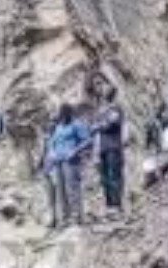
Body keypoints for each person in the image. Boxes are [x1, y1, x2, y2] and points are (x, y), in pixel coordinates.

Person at [46, 104, 92, 227]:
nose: (62, 119)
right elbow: (52, 141)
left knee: (72, 188)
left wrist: (75, 150)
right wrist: (52, 152)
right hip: (58, 161)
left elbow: (88, 140)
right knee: (61, 190)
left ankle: (77, 217)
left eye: (64, 116)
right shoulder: (59, 126)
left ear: (69, 114)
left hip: (71, 161)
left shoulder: (77, 125)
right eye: (61, 117)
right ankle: (65, 217)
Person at [92, 87, 125, 215]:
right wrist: (100, 125)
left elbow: (111, 124)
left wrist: (99, 125)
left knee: (113, 175)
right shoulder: (101, 111)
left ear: (112, 95)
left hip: (113, 147)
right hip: (102, 148)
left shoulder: (116, 108)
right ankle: (109, 205)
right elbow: (93, 127)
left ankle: (117, 204)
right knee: (104, 178)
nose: (105, 93)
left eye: (108, 92)